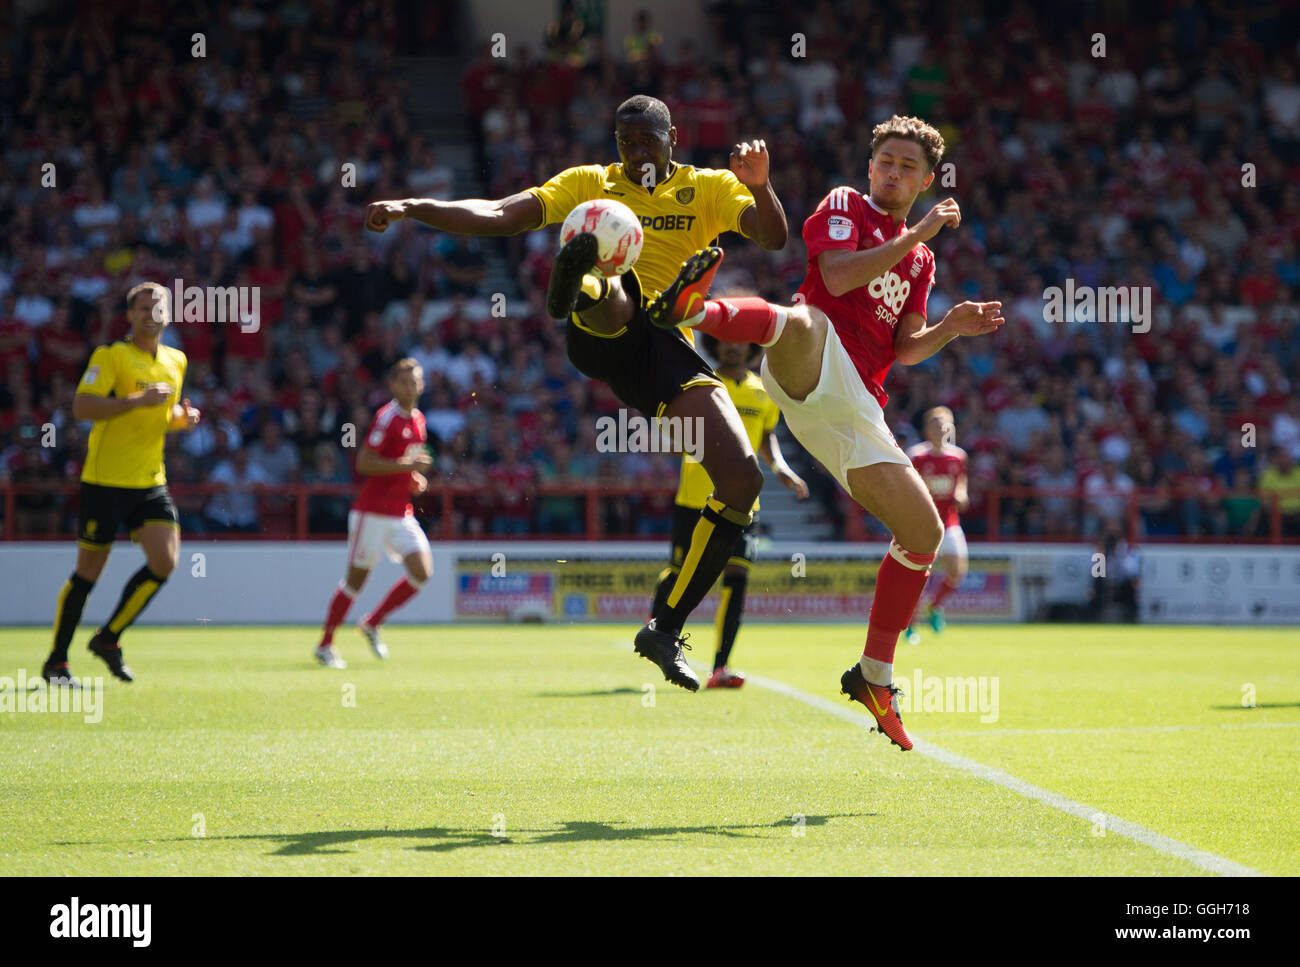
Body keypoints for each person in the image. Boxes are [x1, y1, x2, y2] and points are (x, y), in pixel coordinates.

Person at [365, 94, 788, 692]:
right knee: (621, 296)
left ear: (673, 137)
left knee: (744, 480)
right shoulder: (593, 182)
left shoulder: (710, 187)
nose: (636, 152)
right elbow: (502, 214)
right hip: (604, 333)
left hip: (666, 353)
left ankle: (664, 629)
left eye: (647, 141)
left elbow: (772, 237)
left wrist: (761, 185)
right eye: (626, 142)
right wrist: (413, 206)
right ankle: (581, 280)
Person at [648, 115, 1004, 749]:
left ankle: (874, 673)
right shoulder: (846, 205)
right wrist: (918, 231)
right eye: (885, 161)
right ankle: (692, 309)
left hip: (855, 406)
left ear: (925, 179)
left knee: (922, 533)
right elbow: (837, 277)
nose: (894, 173)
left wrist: (949, 326)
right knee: (806, 319)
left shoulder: (918, 260)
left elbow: (908, 346)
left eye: (908, 167)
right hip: (808, 361)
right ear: (871, 167)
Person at [42, 281, 201, 686]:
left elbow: (160, 418)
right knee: (88, 573)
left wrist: (181, 420)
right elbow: (82, 406)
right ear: (129, 315)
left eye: (158, 307)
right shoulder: (111, 356)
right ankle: (57, 661)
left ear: (168, 313)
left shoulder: (176, 360)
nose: (152, 314)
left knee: (165, 562)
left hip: (150, 480)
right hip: (105, 481)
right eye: (143, 308)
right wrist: (136, 401)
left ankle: (109, 638)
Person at [650, 335, 807, 687]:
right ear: (715, 346)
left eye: (738, 343)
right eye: (724, 342)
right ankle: (656, 626)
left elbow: (767, 437)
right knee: (679, 574)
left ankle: (720, 667)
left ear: (750, 347)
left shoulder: (763, 391)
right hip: (695, 499)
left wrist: (781, 467)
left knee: (737, 580)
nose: (732, 346)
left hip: (743, 504)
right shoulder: (701, 382)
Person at [314, 358, 433, 669]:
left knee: (421, 572)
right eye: (405, 381)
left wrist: (412, 480)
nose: (412, 386)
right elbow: (364, 463)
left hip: (400, 511)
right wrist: (408, 467)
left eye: (416, 381)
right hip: (372, 512)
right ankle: (325, 645)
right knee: (355, 582)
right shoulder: (387, 418)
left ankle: (372, 622)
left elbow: (400, 465)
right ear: (393, 386)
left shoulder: (418, 419)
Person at [903, 406, 969, 645]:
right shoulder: (917, 456)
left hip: (949, 522)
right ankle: (911, 625)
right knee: (918, 577)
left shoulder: (958, 456)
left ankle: (936, 606)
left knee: (957, 571)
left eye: (945, 424)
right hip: (924, 524)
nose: (941, 428)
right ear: (927, 428)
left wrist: (961, 494)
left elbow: (961, 483)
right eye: (936, 424)